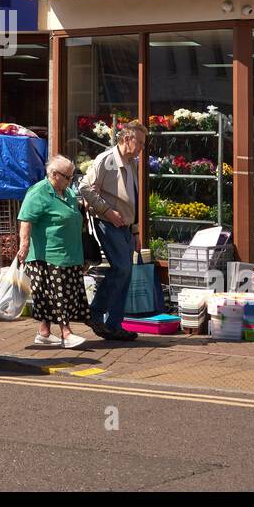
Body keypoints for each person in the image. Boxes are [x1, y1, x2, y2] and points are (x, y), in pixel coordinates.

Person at [78, 120, 146, 342]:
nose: (142, 148)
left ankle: (114, 325)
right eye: (140, 142)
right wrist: (107, 211)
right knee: (123, 269)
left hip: (125, 227)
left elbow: (133, 200)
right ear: (126, 139)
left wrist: (135, 232)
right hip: (109, 223)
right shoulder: (106, 160)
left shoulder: (132, 163)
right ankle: (95, 313)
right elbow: (84, 188)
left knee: (125, 275)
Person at [17, 154, 89, 349]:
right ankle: (66, 333)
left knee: (52, 297)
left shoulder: (69, 194)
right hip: (47, 256)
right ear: (54, 174)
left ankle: (44, 333)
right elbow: (26, 219)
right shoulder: (39, 191)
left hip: (70, 254)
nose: (71, 180)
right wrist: (23, 246)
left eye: (72, 176)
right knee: (58, 296)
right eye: (68, 176)